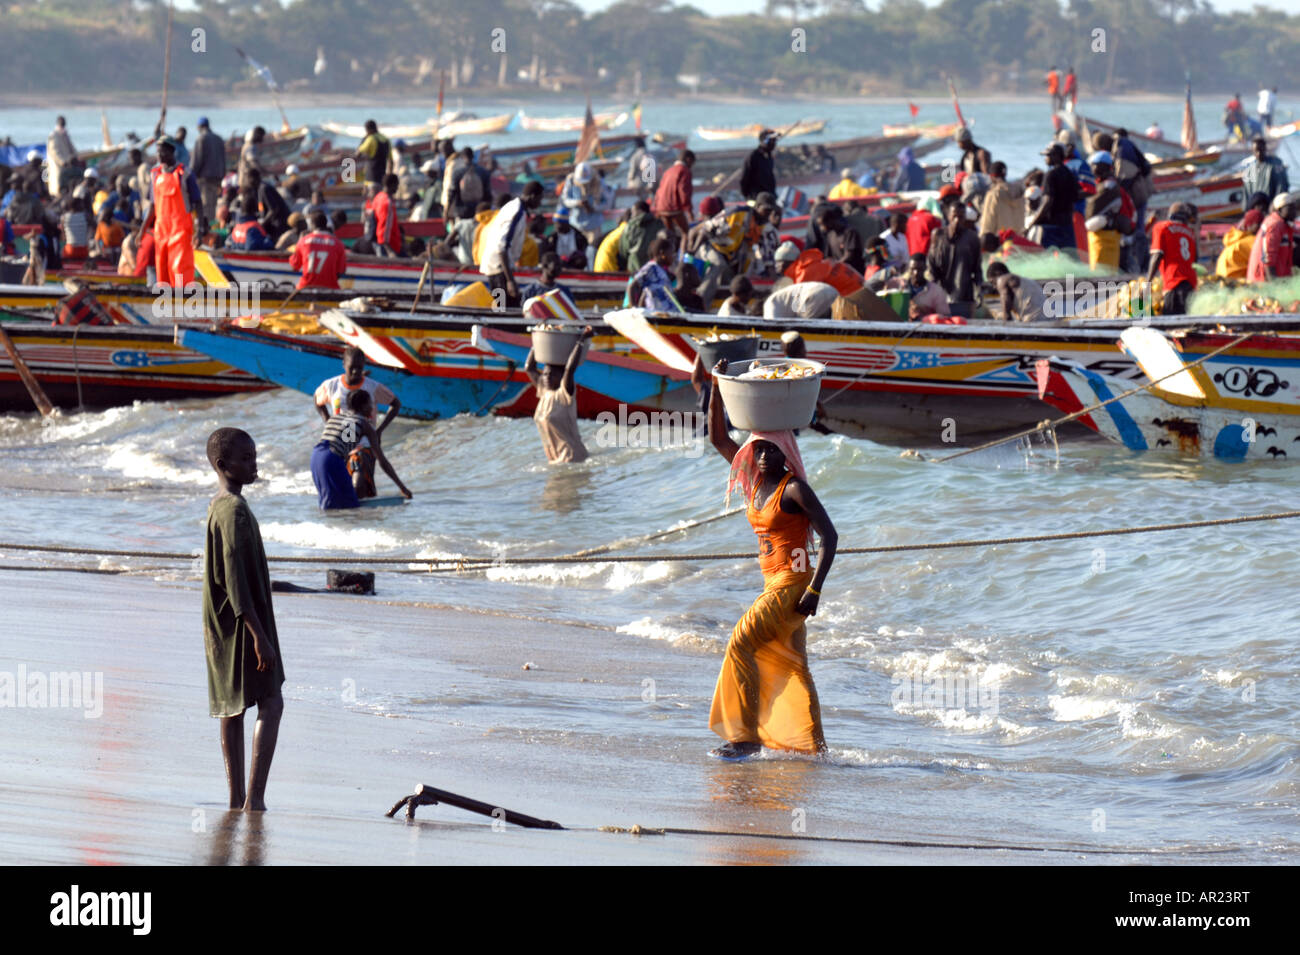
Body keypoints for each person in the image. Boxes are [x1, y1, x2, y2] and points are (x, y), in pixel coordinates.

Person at [704, 362, 836, 759]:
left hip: (794, 583)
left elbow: (830, 536)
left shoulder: (794, 490)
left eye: (771, 449)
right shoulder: (754, 483)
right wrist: (715, 385)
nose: (762, 456)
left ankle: (746, 737)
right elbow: (717, 438)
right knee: (794, 665)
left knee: (740, 642)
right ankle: (813, 748)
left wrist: (814, 589)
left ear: (786, 454)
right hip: (773, 584)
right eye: (757, 448)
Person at [202, 427, 285, 811]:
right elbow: (233, 575)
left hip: (221, 623)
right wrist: (257, 634)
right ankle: (255, 799)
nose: (254, 465)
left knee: (232, 707)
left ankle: (237, 797)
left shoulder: (219, 504)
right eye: (246, 459)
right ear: (223, 465)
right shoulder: (233, 510)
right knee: (270, 701)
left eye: (255, 457)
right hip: (242, 623)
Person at [311, 389, 412, 508]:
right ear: (364, 406)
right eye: (371, 404)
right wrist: (402, 487)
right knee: (349, 504)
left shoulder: (337, 418)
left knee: (330, 503)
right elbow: (382, 462)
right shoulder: (363, 424)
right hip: (331, 457)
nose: (373, 408)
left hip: (316, 457)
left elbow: (343, 442)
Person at [524, 325, 595, 464]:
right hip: (555, 461)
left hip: (572, 458)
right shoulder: (544, 392)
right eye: (545, 374)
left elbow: (569, 368)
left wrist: (581, 339)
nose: (547, 377)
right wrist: (538, 339)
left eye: (552, 375)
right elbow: (529, 367)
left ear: (561, 377)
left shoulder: (564, 394)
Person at [143, 137, 201, 288]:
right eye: (157, 152)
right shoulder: (155, 175)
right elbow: (151, 206)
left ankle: (185, 303)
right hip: (161, 231)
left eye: (162, 152)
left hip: (181, 230)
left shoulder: (185, 174)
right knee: (162, 272)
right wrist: (142, 230)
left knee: (180, 269)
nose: (159, 156)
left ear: (171, 152)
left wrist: (199, 230)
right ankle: (166, 307)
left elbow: (198, 202)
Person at [314, 346, 400, 433]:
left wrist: (379, 431)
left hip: (365, 440)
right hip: (341, 440)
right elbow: (316, 399)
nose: (355, 371)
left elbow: (396, 404)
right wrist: (328, 422)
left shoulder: (372, 387)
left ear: (364, 365)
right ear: (344, 364)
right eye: (352, 367)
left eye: (359, 368)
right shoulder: (332, 385)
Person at [926, 199, 982, 317]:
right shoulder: (938, 235)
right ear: (948, 216)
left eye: (961, 217)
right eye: (954, 216)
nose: (957, 220)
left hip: (964, 295)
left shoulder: (972, 238)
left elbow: (977, 269)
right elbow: (931, 265)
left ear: (965, 218)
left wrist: (979, 290)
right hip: (942, 293)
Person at [1083, 151, 1134, 270]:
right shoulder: (1111, 184)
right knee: (1109, 271)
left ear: (1101, 167)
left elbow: (1091, 211)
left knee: (1101, 272)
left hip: (1104, 237)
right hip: (1109, 236)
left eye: (1094, 165)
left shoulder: (1108, 186)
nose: (1092, 168)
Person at [1147, 203, 1199, 314]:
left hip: (1174, 283)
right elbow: (1195, 259)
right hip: (1190, 285)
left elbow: (1157, 256)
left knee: (1172, 326)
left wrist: (1148, 283)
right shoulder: (1190, 233)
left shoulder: (1161, 227)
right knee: (1187, 325)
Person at [1028, 143, 1079, 250]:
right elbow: (1075, 198)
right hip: (1067, 226)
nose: (1045, 158)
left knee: (1047, 260)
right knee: (1069, 259)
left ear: (1056, 155)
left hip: (1051, 228)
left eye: (1047, 155)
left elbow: (1047, 201)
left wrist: (1032, 223)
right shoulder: (1070, 174)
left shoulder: (1050, 175)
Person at [1247, 191, 1297, 283]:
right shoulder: (1274, 225)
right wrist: (1274, 287)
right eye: (1290, 208)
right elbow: (1268, 259)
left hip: (1279, 277)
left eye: (1295, 208)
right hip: (1264, 281)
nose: (1294, 212)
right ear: (1279, 210)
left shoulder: (1285, 225)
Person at [1216, 193, 1269, 280]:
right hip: (1234, 281)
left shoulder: (1235, 236)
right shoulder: (1252, 241)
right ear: (1249, 225)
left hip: (1223, 277)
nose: (1261, 226)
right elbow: (1265, 262)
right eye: (1259, 224)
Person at [290, 212, 348, 289]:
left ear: (312, 225)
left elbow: (295, 266)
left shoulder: (303, 241)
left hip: (305, 286)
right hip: (330, 287)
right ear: (326, 224)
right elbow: (341, 271)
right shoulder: (338, 243)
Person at [884, 253, 950, 318]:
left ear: (926, 269)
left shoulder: (936, 291)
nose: (916, 273)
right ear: (908, 269)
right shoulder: (897, 284)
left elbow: (945, 316)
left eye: (920, 269)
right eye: (912, 269)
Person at [628, 236, 683, 312]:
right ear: (662, 253)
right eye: (672, 253)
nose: (673, 257)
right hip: (659, 313)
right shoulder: (651, 267)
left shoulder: (660, 270)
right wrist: (634, 309)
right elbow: (632, 287)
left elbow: (646, 293)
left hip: (670, 312)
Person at [652, 149, 695, 242]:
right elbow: (684, 191)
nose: (691, 166)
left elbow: (659, 191)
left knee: (670, 235)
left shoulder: (668, 171)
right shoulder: (684, 171)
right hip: (674, 208)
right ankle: (683, 254)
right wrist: (689, 211)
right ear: (688, 160)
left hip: (662, 208)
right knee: (686, 233)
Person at [1241, 136, 1289, 211]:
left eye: (1261, 150)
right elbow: (1246, 195)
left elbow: (1282, 187)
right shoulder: (1250, 171)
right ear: (1253, 151)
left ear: (1265, 149)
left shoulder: (1275, 165)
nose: (1259, 153)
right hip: (1255, 210)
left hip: (1272, 208)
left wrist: (1274, 207)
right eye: (1256, 151)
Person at [192, 117, 225, 222]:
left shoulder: (201, 139)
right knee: (213, 205)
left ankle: (206, 230)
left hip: (204, 179)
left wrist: (192, 176)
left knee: (205, 205)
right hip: (217, 178)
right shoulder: (219, 139)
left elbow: (196, 161)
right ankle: (210, 226)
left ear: (199, 127)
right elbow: (223, 159)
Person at [620, 199, 665, 274]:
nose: (632, 215)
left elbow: (624, 249)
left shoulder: (630, 226)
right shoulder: (658, 224)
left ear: (640, 211)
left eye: (633, 212)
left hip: (634, 268)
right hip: (653, 268)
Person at [978, 162, 1021, 238]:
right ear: (1005, 174)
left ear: (991, 176)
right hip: (1018, 241)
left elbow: (987, 225)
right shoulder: (1019, 192)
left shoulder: (993, 194)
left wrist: (983, 240)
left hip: (1000, 243)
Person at [819, 206, 865, 273]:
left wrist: (836, 265)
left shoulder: (850, 233)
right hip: (841, 274)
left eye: (822, 224)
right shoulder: (830, 235)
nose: (821, 228)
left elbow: (850, 255)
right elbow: (828, 256)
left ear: (831, 220)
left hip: (855, 273)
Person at [740, 129, 778, 201]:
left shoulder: (769, 157)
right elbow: (744, 178)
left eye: (775, 141)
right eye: (771, 140)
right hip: (756, 198)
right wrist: (748, 196)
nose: (774, 143)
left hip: (769, 196)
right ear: (764, 141)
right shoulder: (753, 156)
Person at [371, 173, 403, 257]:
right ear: (392, 185)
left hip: (380, 243)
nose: (397, 188)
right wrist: (390, 251)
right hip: (388, 247)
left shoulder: (378, 197)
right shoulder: (387, 203)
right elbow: (384, 228)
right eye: (397, 185)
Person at [46, 116, 77, 199]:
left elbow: (72, 148)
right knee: (57, 184)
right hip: (58, 166)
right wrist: (63, 162)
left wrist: (75, 157)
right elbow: (54, 152)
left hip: (67, 165)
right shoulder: (53, 135)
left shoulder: (65, 134)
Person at [355, 120, 391, 185]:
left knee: (370, 194)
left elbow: (358, 154)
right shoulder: (386, 139)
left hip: (371, 177)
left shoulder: (371, 139)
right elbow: (390, 161)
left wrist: (364, 139)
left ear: (368, 130)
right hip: (382, 177)